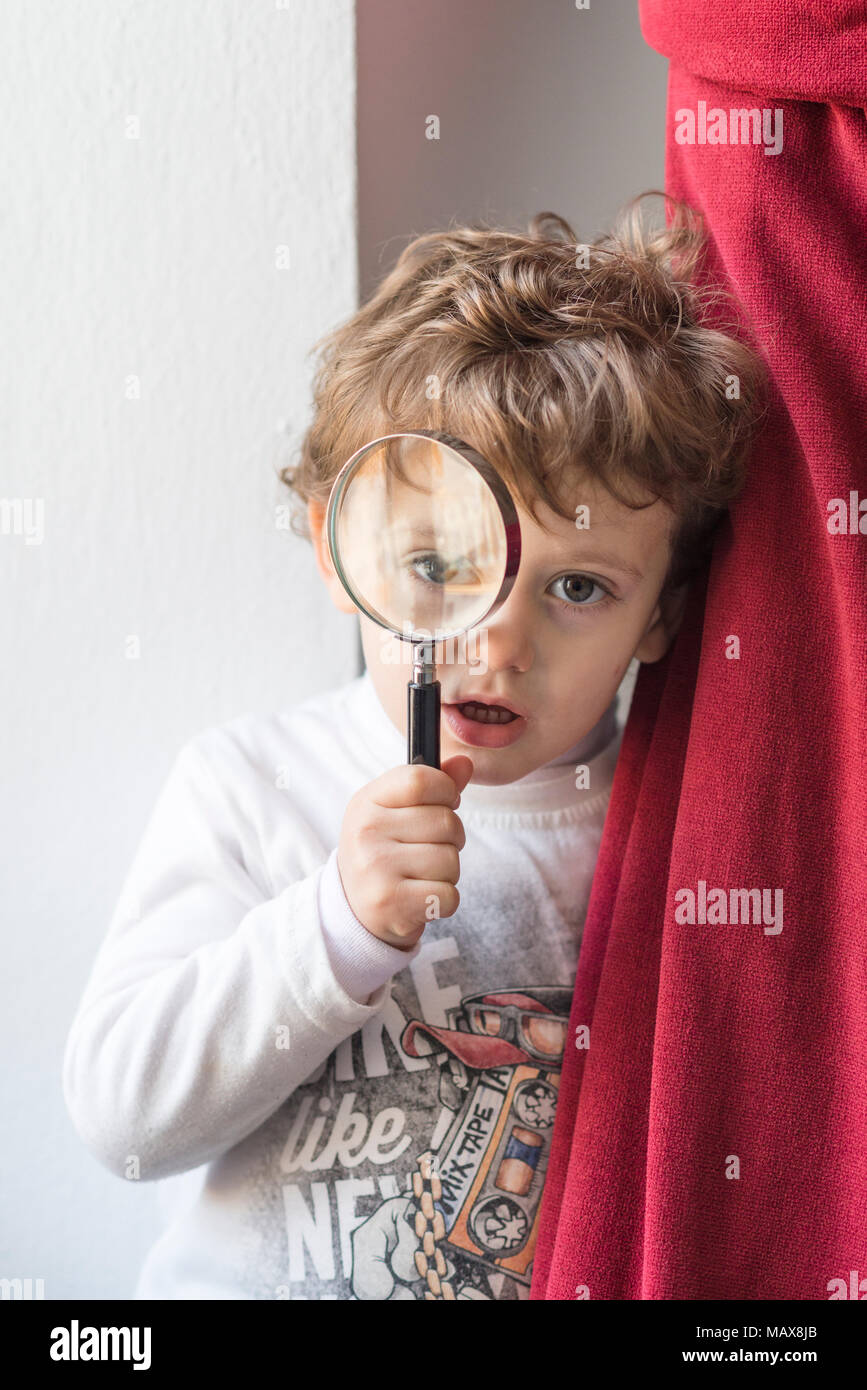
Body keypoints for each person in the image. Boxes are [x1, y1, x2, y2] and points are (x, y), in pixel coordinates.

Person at [62, 193, 765, 1300]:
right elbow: (123, 1118)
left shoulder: (676, 826)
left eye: (577, 587)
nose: (498, 637)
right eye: (440, 567)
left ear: (665, 614)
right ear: (336, 552)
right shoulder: (253, 787)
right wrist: (334, 925)